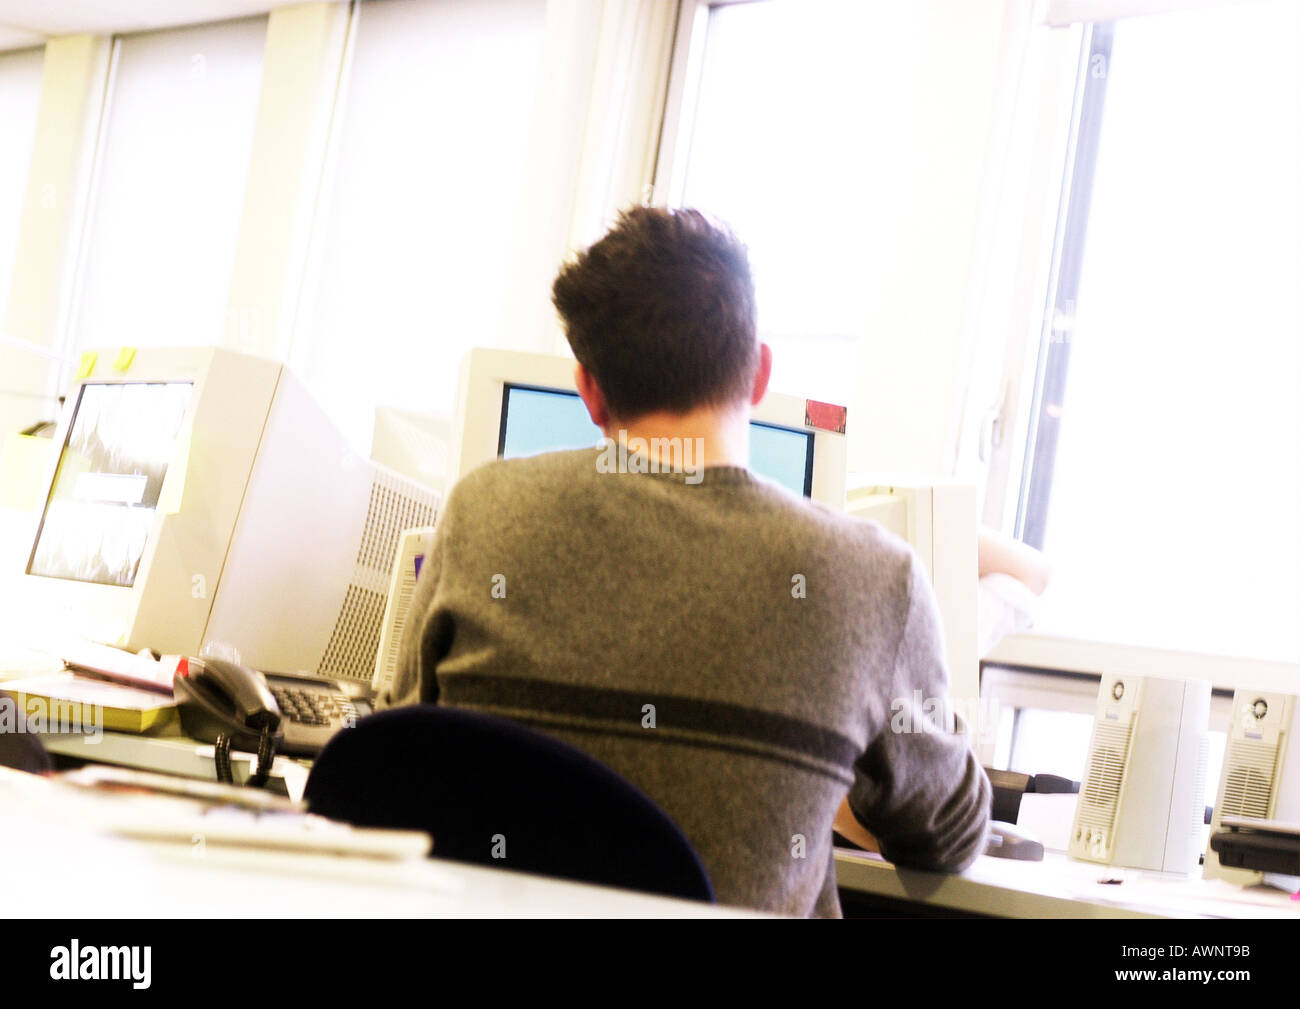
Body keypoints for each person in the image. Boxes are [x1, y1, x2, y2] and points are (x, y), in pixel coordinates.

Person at [383, 206, 990, 916]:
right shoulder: (877, 579)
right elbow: (946, 834)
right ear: (759, 373)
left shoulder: (482, 511)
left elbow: (398, 753)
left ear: (589, 389)